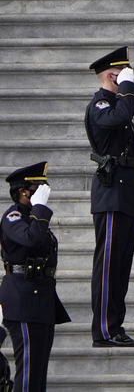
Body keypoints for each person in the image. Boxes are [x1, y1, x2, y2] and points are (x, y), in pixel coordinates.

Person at [84, 47, 134, 347]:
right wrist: (127, 89)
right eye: (123, 72)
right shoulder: (100, 105)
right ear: (113, 75)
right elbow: (119, 116)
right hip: (111, 195)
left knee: (121, 267)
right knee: (109, 266)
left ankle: (116, 326)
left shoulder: (114, 104)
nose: (128, 76)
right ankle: (104, 331)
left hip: (125, 194)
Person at [1, 162, 69, 391]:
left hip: (39, 299)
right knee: (29, 372)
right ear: (24, 191)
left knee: (38, 373)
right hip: (23, 300)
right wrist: (39, 208)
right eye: (38, 187)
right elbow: (33, 239)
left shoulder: (32, 217)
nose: (44, 191)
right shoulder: (14, 216)